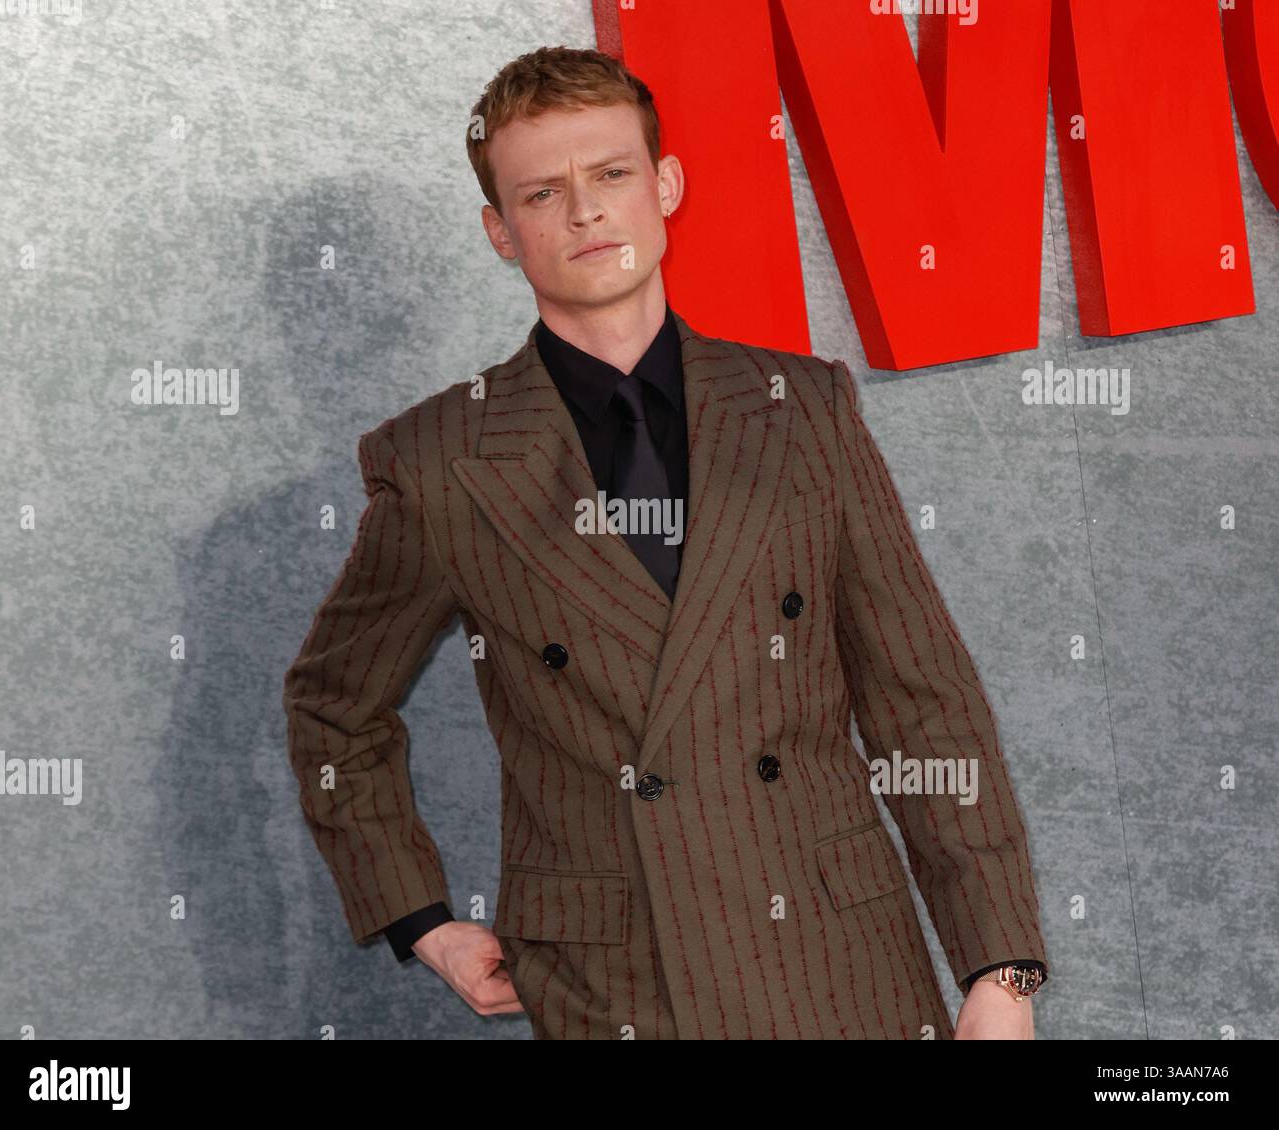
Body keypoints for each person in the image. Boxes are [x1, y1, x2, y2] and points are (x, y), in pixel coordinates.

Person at [282, 44, 1050, 1040]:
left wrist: (999, 968)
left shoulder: (802, 406)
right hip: (618, 977)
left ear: (665, 185)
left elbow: (923, 697)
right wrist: (419, 916)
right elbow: (334, 707)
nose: (585, 211)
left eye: (610, 174)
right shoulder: (439, 460)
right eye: (542, 192)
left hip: (838, 957)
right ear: (499, 232)